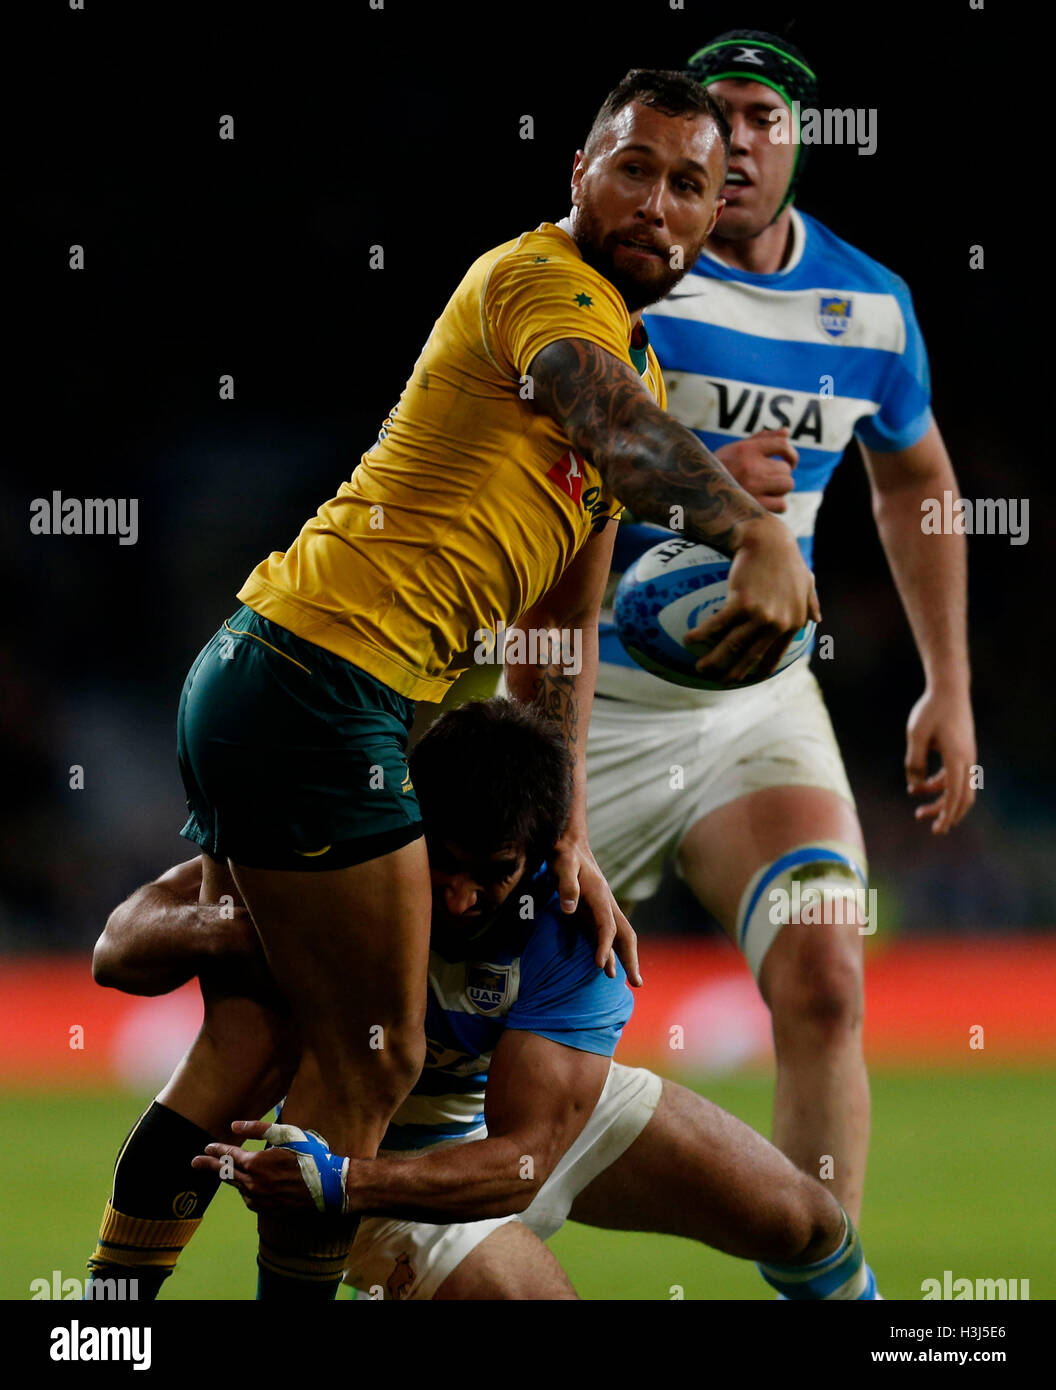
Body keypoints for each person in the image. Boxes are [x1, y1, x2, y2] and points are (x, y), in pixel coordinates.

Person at [155, 67, 817, 1297]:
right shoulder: (542, 286)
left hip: (316, 680)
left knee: (255, 1036)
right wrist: (756, 533)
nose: (658, 204)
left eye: (691, 185)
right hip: (322, 668)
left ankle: (102, 1312)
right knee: (372, 1054)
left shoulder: (643, 367)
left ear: (716, 210)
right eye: (634, 167)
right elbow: (611, 428)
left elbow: (557, 633)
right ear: (579, 173)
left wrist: (562, 827)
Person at [575, 32, 976, 1231]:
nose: (739, 140)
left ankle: (824, 1283)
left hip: (756, 703)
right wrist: (701, 480)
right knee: (476, 1023)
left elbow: (917, 487)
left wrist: (946, 684)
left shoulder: (869, 306)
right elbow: (545, 451)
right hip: (581, 691)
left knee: (823, 978)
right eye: (716, 120)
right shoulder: (617, 276)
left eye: (763, 116)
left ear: (801, 136)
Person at [94, 699, 880, 1301]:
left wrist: (338, 1185)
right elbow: (118, 947)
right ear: (411, 821)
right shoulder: (347, 856)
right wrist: (247, 925)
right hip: (377, 1147)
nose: (462, 896)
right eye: (444, 860)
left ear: (546, 853)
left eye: (494, 870)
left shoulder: (574, 926)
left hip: (487, 1135)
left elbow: (527, 1160)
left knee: (806, 1222)